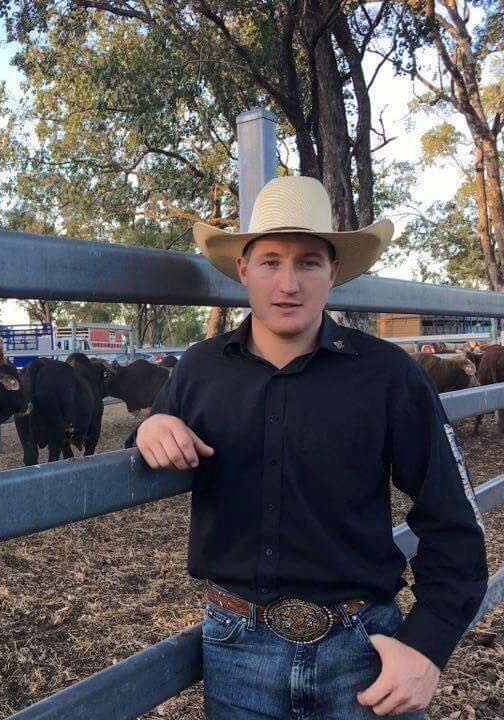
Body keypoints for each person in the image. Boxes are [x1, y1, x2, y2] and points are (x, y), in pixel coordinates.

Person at [134, 176, 488, 718]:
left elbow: (453, 519)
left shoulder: (389, 376)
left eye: (309, 263)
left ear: (335, 272)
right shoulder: (200, 369)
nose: (289, 283)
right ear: (244, 270)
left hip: (364, 650)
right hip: (237, 654)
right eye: (271, 261)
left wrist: (427, 646)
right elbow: (163, 421)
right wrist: (151, 425)